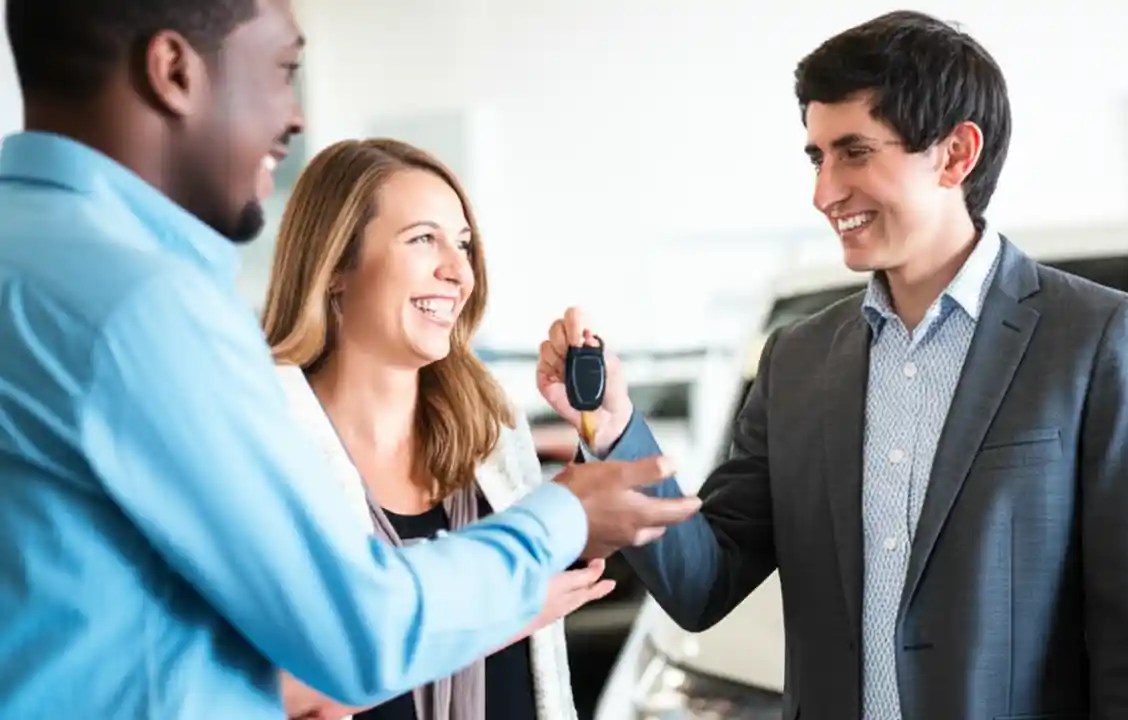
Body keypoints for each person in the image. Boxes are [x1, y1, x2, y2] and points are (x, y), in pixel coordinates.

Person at [0, 1, 699, 718]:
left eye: (461, 243)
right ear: (174, 70)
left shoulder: (27, 257)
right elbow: (356, 632)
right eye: (281, 71)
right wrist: (565, 518)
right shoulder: (144, 306)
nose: (296, 117)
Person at [538, 10, 1128, 720]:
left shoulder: (1097, 340)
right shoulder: (797, 361)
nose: (824, 193)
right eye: (817, 157)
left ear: (955, 154)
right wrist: (616, 426)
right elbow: (703, 581)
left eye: (854, 152)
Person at [262, 138, 600, 720]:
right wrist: (497, 613)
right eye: (423, 239)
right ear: (336, 265)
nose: (459, 272)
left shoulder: (491, 432)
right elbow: (273, 682)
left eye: (463, 244)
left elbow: (583, 569)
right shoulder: (263, 440)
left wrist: (599, 430)